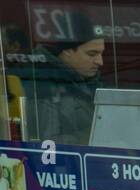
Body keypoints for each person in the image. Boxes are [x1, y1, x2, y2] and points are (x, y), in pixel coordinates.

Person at [24, 8, 105, 146]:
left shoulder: (89, 82)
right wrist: (96, 137)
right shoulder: (44, 86)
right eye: (92, 54)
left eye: (101, 53)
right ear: (67, 52)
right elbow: (50, 144)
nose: (100, 61)